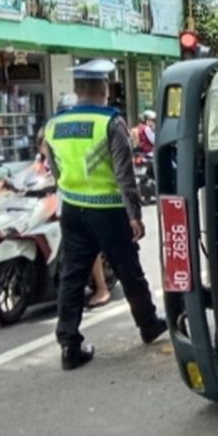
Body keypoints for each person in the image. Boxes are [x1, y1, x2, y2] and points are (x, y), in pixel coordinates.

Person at [44, 59, 166, 370]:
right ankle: (148, 324)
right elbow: (125, 174)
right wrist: (134, 214)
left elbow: (55, 170)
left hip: (73, 209)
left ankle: (69, 345)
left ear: (77, 90)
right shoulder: (110, 122)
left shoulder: (54, 124)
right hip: (109, 211)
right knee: (129, 271)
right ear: (104, 88)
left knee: (72, 276)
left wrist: (69, 196)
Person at [38, 104, 113, 310]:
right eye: (41, 143)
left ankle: (102, 288)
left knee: (87, 247)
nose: (43, 146)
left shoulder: (72, 145)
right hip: (60, 203)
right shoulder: (44, 156)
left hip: (80, 202)